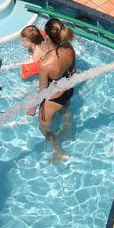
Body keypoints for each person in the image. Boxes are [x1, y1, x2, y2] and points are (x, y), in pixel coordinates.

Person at [26, 18, 77, 162]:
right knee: (65, 111)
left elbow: (43, 90)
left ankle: (59, 152)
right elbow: (74, 71)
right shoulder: (69, 48)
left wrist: (33, 106)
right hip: (67, 91)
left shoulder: (46, 64)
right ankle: (67, 131)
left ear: (47, 36)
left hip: (52, 101)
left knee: (44, 128)